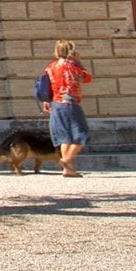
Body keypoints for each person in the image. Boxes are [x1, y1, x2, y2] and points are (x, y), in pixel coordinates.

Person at [44, 39, 93, 176]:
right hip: (70, 103)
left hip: (56, 104)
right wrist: (79, 62)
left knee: (65, 137)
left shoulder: (51, 66)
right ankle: (66, 160)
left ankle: (68, 170)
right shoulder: (72, 66)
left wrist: (47, 101)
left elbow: (46, 85)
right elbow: (87, 78)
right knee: (81, 134)